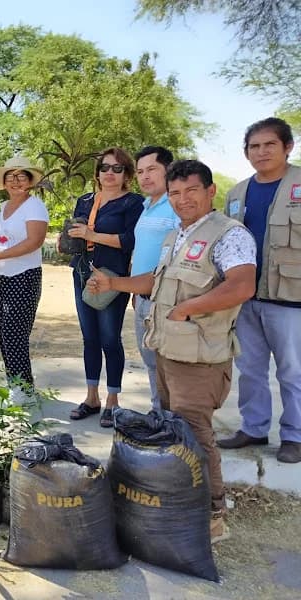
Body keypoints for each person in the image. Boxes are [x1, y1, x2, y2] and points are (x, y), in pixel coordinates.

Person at [88, 159, 256, 543]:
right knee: (171, 430)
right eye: (176, 192)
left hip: (200, 358)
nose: (182, 200)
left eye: (191, 191)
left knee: (195, 433)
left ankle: (214, 514)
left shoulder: (230, 234)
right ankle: (181, 501)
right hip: (167, 349)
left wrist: (187, 309)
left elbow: (242, 285)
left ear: (210, 192)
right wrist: (114, 282)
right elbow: (155, 281)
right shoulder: (177, 235)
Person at [217, 117, 301, 464]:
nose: (262, 152)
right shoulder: (237, 193)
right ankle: (253, 427)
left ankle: (295, 435)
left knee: (292, 371)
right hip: (246, 298)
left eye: (270, 145)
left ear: (288, 147)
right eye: (255, 146)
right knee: (249, 368)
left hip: (291, 299)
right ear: (247, 152)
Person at [67, 148, 144, 427]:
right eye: (104, 167)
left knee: (110, 338)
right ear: (97, 173)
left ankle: (113, 400)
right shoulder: (85, 200)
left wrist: (92, 234)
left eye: (117, 168)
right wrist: (70, 239)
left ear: (127, 175)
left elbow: (129, 240)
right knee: (90, 338)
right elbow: (77, 236)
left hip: (112, 275)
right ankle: (91, 397)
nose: (109, 173)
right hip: (81, 273)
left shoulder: (134, 202)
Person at [0, 156, 48, 400]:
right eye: (10, 177)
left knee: (16, 332)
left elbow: (34, 241)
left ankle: (24, 389)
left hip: (23, 276)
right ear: (4, 182)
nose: (15, 181)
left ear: (29, 181)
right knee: (3, 333)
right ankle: (14, 384)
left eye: (21, 176)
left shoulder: (35, 206)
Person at [131, 146, 180, 409]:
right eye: (140, 171)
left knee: (169, 365)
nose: (145, 176)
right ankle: (157, 415)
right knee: (150, 362)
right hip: (142, 298)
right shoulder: (146, 206)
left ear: (168, 170)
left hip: (166, 300)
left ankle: (174, 423)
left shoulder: (176, 204)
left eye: (152, 169)